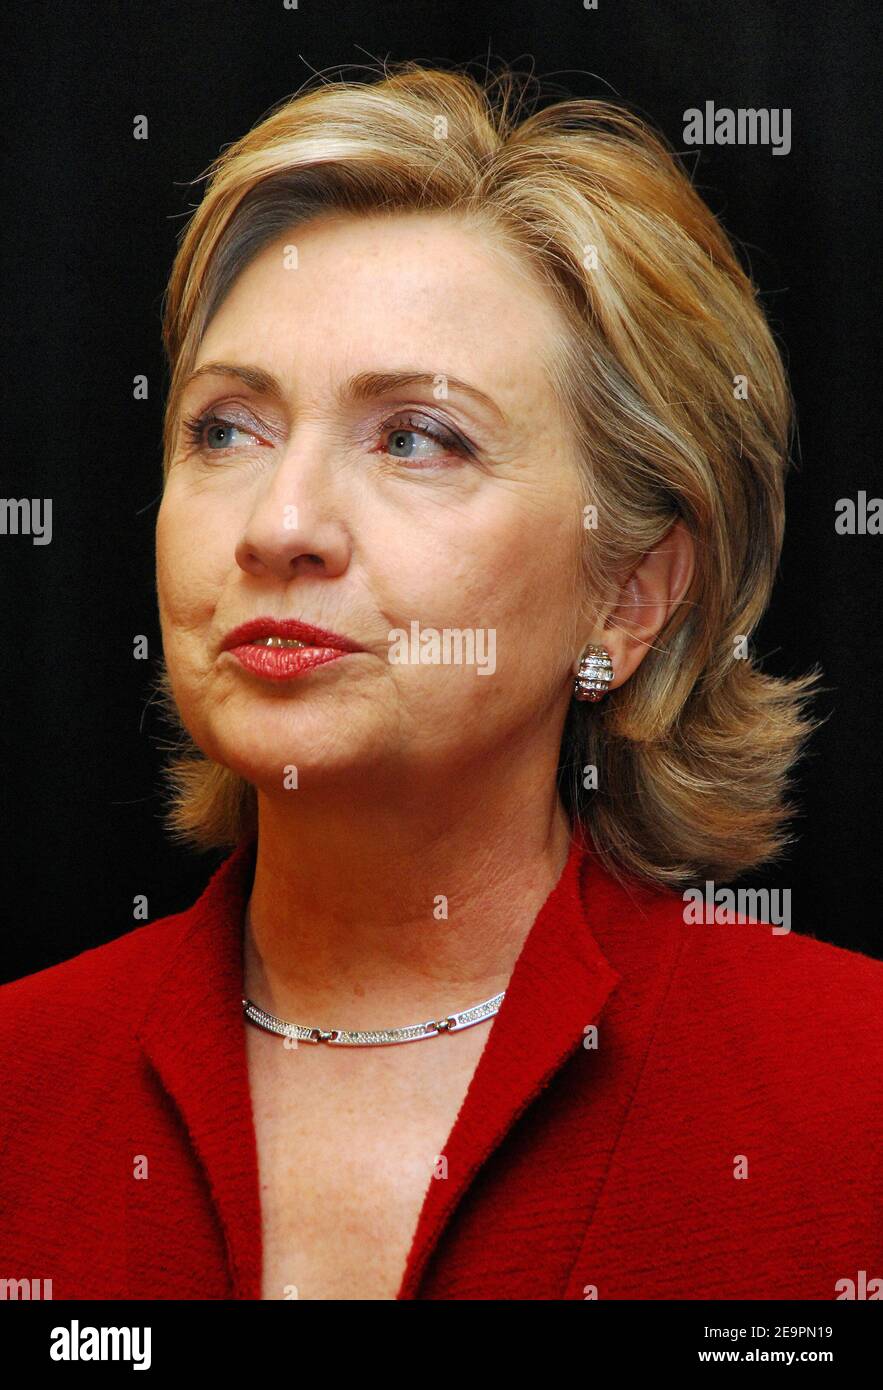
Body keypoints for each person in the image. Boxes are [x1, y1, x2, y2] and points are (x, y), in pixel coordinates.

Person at [1, 62, 881, 1302]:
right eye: (226, 429)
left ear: (628, 595)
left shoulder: (854, 1097)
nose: (280, 523)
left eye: (416, 436)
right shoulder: (17, 1088)